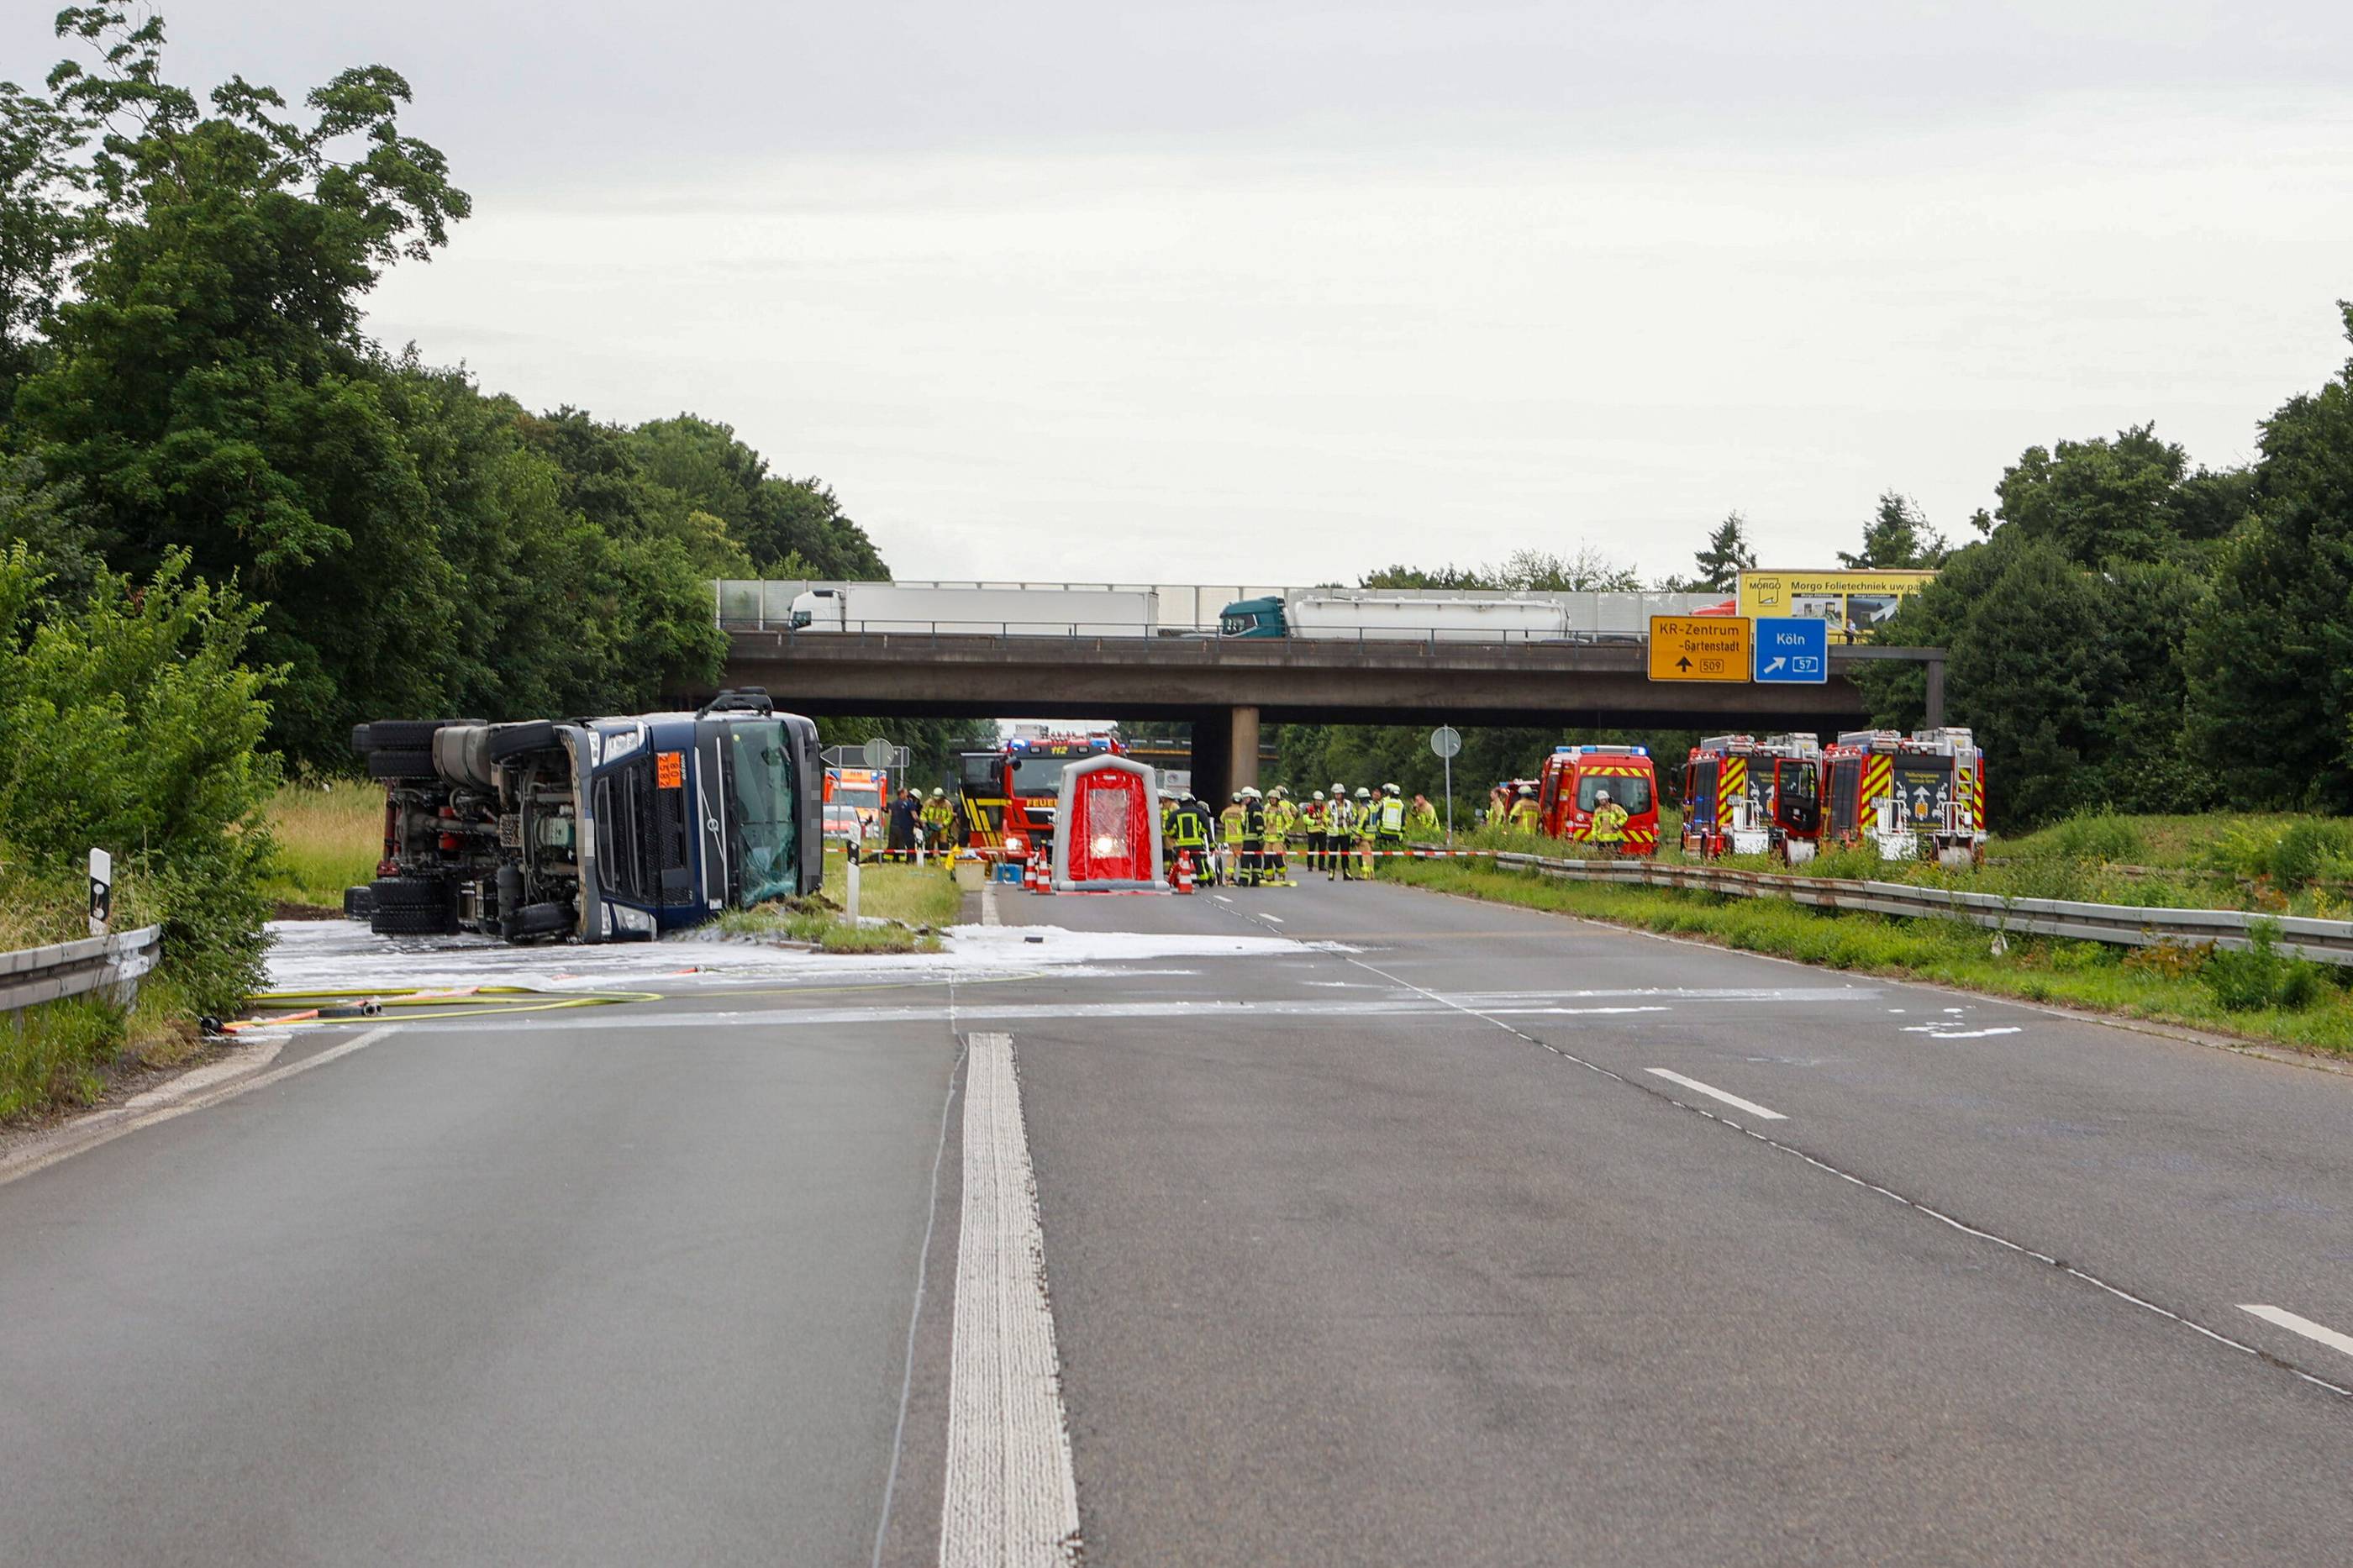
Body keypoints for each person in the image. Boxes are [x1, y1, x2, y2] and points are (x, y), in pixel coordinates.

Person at [1239, 787, 1266, 888]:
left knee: (1245, 859)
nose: (1245, 800)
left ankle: (1244, 881)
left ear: (1252, 797)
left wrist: (1260, 835)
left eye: (1247, 798)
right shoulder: (1250, 807)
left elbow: (1259, 821)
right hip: (1252, 839)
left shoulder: (1254, 806)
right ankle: (1255, 880)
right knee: (1256, 859)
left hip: (1252, 839)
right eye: (1244, 798)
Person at [1589, 787, 1631, 855]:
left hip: (1614, 839)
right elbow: (1595, 826)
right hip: (1601, 840)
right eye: (1600, 800)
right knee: (1602, 859)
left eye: (1603, 799)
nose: (1602, 801)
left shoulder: (1615, 808)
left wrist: (1617, 825)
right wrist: (1594, 838)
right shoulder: (1597, 811)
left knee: (1615, 858)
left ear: (1607, 799)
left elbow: (1624, 816)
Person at [920, 787, 955, 864]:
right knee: (930, 843)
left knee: (943, 844)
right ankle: (930, 861)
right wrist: (924, 822)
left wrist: (944, 824)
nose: (936, 801)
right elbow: (923, 813)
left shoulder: (947, 804)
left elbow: (950, 816)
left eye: (938, 799)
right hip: (931, 826)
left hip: (943, 828)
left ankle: (943, 861)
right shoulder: (928, 803)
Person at [887, 787, 922, 862]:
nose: (907, 794)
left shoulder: (893, 803)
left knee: (892, 844)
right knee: (902, 845)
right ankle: (904, 860)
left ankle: (888, 860)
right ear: (902, 794)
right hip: (904, 828)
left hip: (893, 827)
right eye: (906, 792)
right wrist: (921, 822)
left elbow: (890, 814)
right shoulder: (909, 804)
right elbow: (914, 816)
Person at [1326, 788, 1355, 881]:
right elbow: (1324, 816)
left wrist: (1352, 820)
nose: (1337, 796)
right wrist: (1329, 821)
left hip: (1345, 833)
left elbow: (1355, 814)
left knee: (1345, 854)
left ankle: (1346, 872)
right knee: (1333, 854)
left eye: (1339, 794)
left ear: (1343, 794)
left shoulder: (1349, 804)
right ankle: (1331, 872)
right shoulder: (1330, 804)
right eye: (1336, 794)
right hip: (1334, 833)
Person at [1219, 792, 1246, 887]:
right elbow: (1244, 822)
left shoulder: (1226, 811)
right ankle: (1244, 877)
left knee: (1230, 858)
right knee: (1241, 858)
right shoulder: (1241, 811)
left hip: (1229, 838)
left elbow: (1222, 820)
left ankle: (1228, 877)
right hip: (1239, 838)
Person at [1376, 782, 1407, 862]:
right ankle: (1393, 863)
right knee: (1395, 852)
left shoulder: (1385, 803)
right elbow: (1403, 821)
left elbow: (1378, 817)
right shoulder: (1401, 805)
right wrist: (1402, 832)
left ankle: (1382, 862)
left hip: (1384, 832)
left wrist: (1377, 829)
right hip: (1396, 833)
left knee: (1382, 851)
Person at [1351, 786, 1377, 877]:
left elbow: (1362, 822)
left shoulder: (1363, 808)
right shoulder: (1373, 806)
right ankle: (1371, 874)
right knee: (1370, 855)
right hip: (1372, 835)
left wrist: (1358, 835)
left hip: (1364, 836)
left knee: (1364, 855)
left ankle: (1365, 874)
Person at [1303, 790, 1328, 875]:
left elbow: (1328, 817)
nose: (1318, 802)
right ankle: (1310, 866)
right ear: (1314, 800)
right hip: (1312, 832)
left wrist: (1325, 821)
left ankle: (1321, 866)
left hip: (1322, 832)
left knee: (1322, 849)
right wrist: (1314, 822)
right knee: (1311, 849)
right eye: (1317, 800)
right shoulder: (1309, 808)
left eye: (1320, 800)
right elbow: (1305, 819)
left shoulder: (1325, 809)